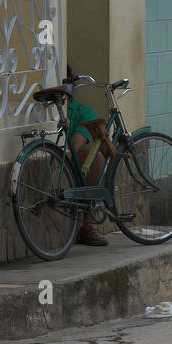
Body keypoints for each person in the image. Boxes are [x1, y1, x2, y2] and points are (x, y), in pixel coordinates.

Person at [65, 67, 111, 246]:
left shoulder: (83, 112)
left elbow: (75, 147)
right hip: (55, 158)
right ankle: (90, 224)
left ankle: (88, 225)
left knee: (97, 158)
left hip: (71, 159)